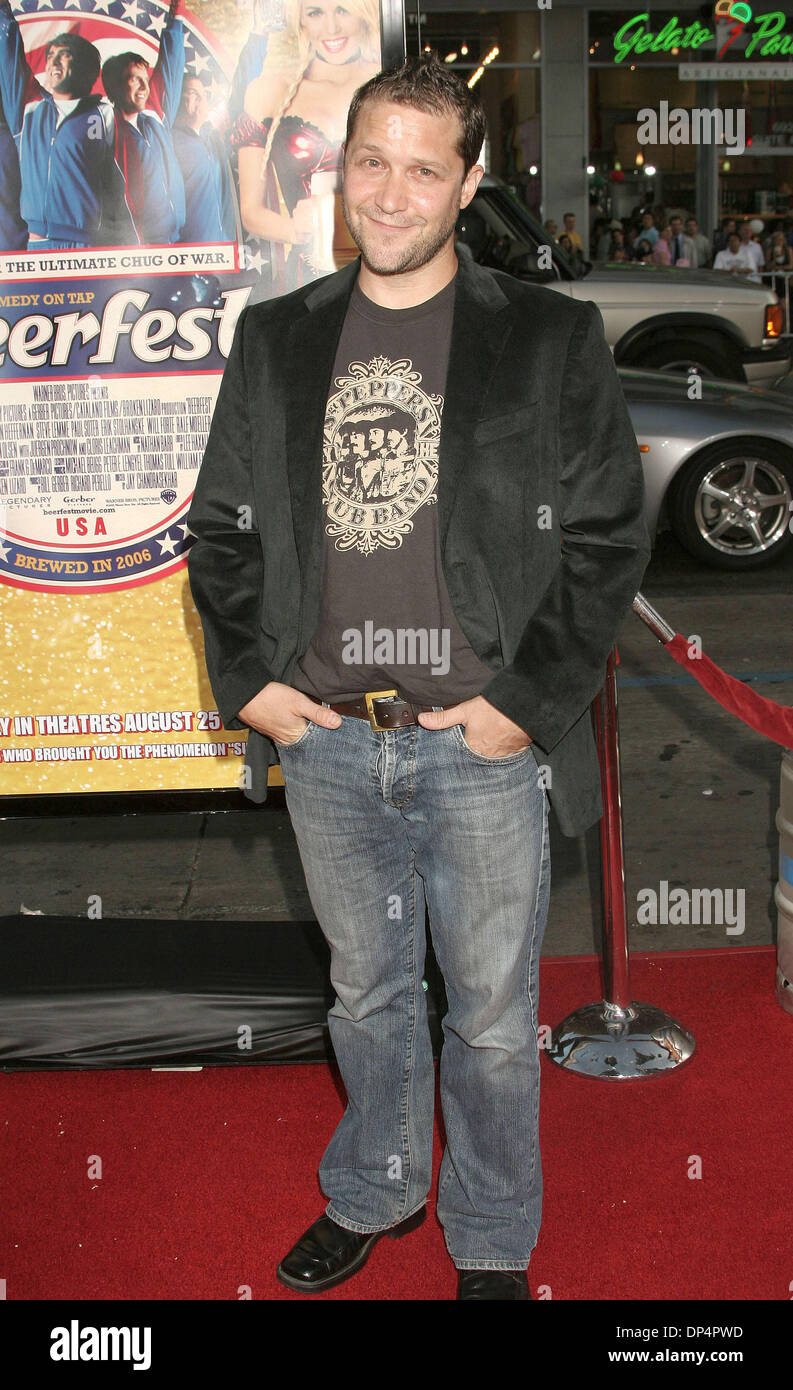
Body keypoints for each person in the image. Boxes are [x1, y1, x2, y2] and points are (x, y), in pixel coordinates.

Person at [187, 54, 650, 1301]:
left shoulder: (548, 338)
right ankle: (377, 1188)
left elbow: (608, 537)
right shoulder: (276, 335)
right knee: (364, 994)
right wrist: (250, 678)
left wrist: (520, 707)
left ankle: (492, 1234)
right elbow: (221, 528)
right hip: (326, 741)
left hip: (477, 745)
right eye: (370, 162)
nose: (390, 195)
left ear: (469, 182)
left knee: (492, 1018)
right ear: (343, 165)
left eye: (423, 169)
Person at [232, 0, 380, 296]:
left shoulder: (392, 85)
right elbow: (250, 212)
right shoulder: (269, 92)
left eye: (342, 10)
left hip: (382, 273)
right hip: (307, 280)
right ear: (300, 21)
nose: (331, 27)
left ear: (364, 14)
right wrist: (292, 228)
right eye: (315, 13)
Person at [0, 6, 128, 248]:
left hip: (87, 246)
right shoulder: (28, 110)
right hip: (38, 244)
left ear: (85, 67)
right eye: (50, 55)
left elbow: (120, 186)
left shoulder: (105, 116)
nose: (53, 61)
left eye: (64, 54)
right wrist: (3, 12)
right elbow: (9, 59)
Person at [101, 0, 186, 246]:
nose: (144, 86)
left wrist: (176, 18)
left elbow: (171, 64)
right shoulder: (108, 135)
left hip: (177, 241)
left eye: (145, 78)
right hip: (141, 249)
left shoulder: (154, 117)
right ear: (115, 87)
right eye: (133, 79)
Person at [173, 75, 237, 244]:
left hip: (223, 253)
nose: (201, 99)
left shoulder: (213, 139)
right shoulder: (169, 142)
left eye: (203, 94)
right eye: (193, 93)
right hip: (191, 255)